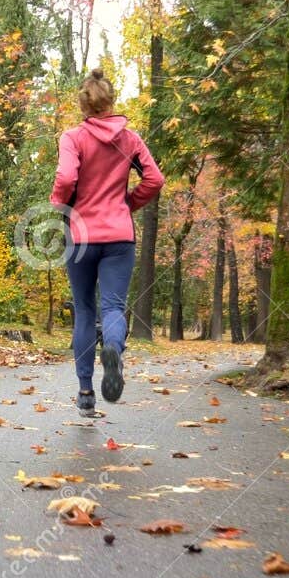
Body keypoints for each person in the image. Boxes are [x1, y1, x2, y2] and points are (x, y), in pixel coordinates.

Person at [49, 68, 164, 410]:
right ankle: (112, 347)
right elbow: (154, 179)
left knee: (84, 310)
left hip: (81, 235)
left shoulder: (72, 138)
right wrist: (129, 203)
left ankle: (85, 393)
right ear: (111, 102)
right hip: (118, 236)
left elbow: (67, 176)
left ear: (83, 106)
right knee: (113, 306)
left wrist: (60, 206)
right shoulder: (130, 139)